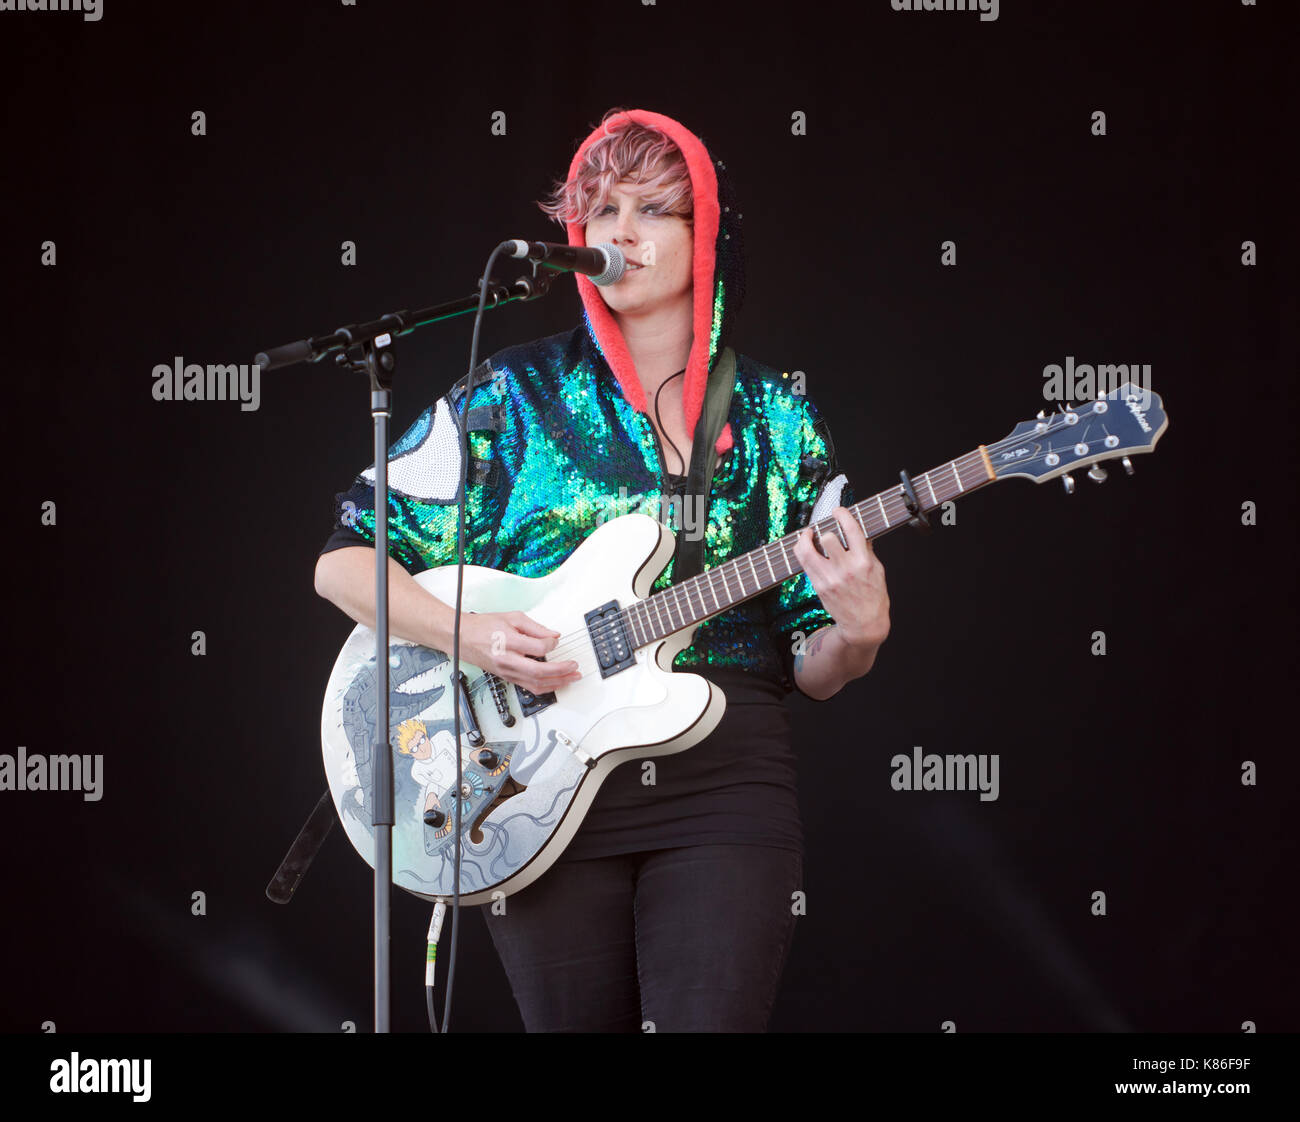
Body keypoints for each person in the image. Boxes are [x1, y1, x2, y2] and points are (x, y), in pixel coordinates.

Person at [313, 108, 891, 1032]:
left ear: (710, 237)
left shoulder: (781, 419)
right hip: (531, 778)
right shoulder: (507, 395)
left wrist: (856, 636)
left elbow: (812, 666)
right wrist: (475, 638)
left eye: (654, 210)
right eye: (603, 209)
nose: (620, 233)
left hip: (724, 781)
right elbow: (343, 564)